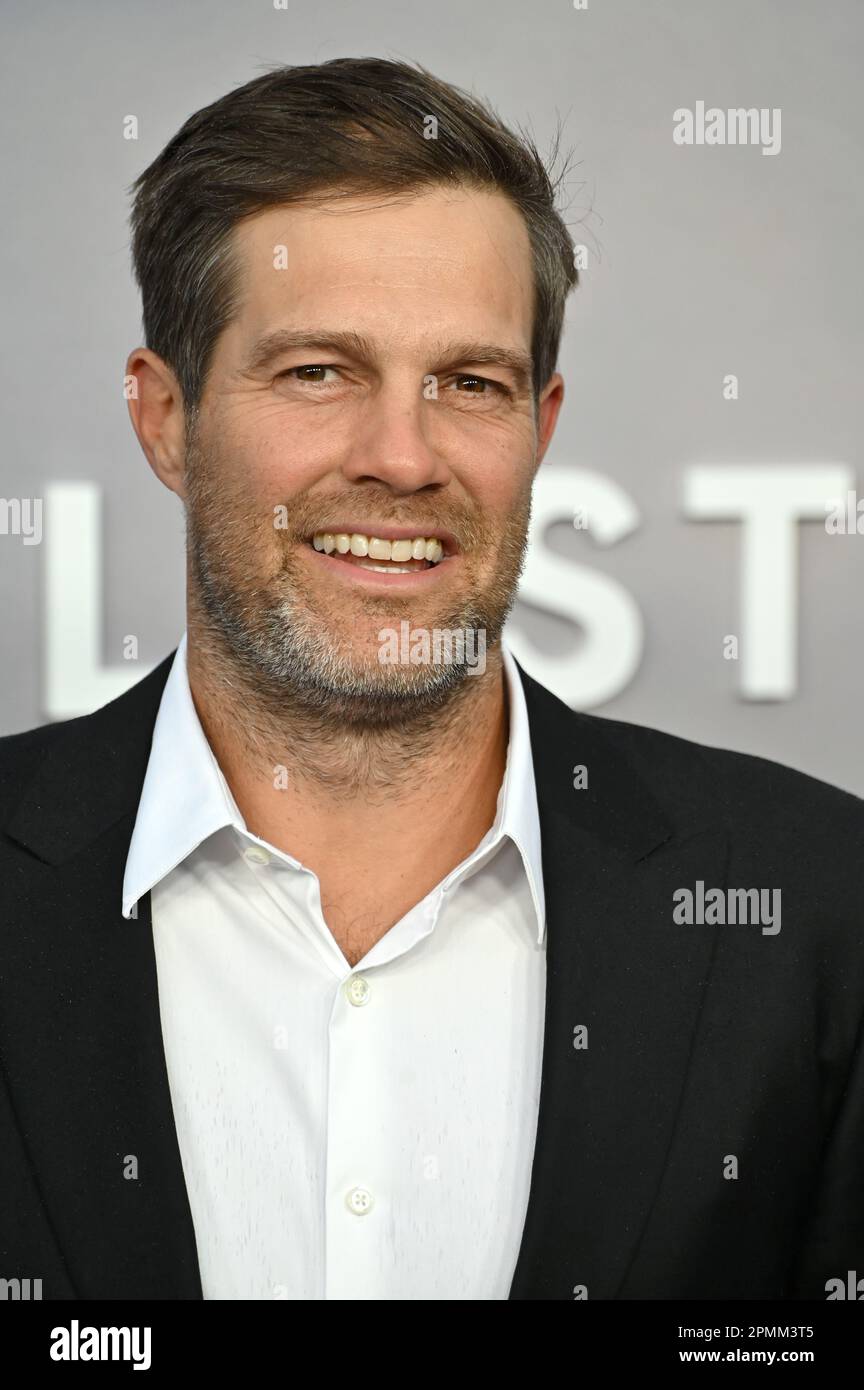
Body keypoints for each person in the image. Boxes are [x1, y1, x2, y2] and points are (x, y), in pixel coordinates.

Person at [1, 56, 862, 1302]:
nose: (402, 458)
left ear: (541, 427)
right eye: (317, 371)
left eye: (469, 383)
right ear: (166, 418)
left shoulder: (813, 908)